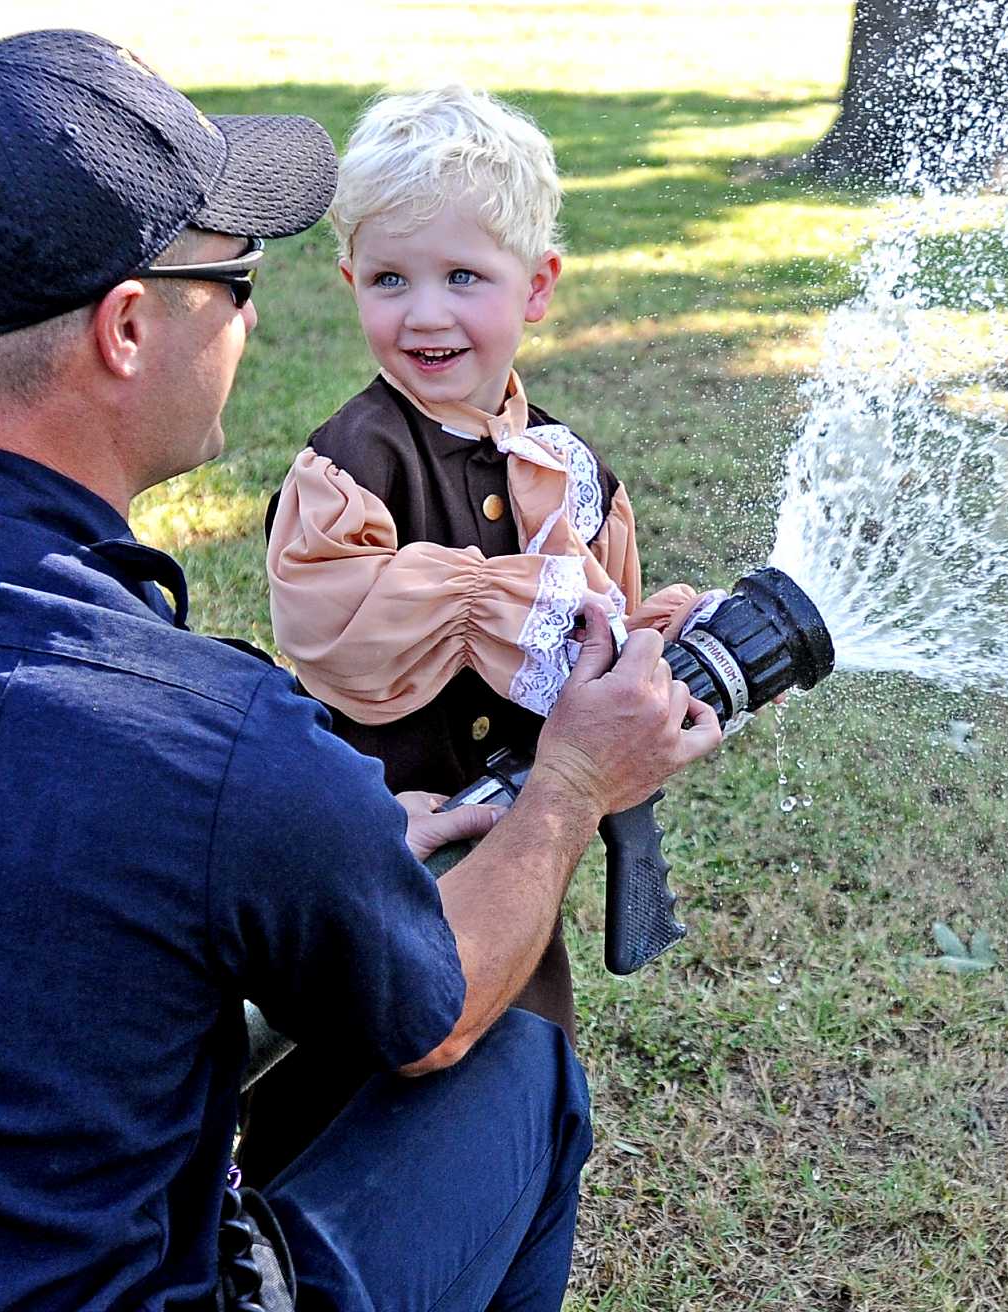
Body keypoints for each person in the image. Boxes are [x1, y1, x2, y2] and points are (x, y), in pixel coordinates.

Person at [0, 30, 721, 1311]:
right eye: (234, 278)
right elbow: (435, 1010)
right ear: (130, 328)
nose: (250, 311)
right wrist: (568, 782)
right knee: (514, 1073)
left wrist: (313, 842)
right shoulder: (205, 735)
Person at [248, 87, 707, 1181]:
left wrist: (655, 638)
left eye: (465, 277)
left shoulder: (574, 468)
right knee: (346, 1084)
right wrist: (506, 600)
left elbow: (598, 629)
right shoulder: (348, 467)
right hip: (381, 840)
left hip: (513, 849)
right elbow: (339, 634)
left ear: (536, 287)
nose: (426, 316)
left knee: (510, 1050)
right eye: (391, 279)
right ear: (350, 280)